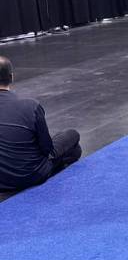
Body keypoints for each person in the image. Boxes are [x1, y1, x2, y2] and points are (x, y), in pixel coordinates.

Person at [0, 56, 81, 192]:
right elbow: (46, 149)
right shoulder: (30, 106)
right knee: (72, 136)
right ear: (11, 77)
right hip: (31, 175)